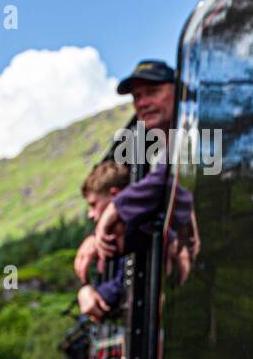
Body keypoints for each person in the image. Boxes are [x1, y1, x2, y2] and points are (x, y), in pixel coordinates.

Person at [91, 60, 196, 268]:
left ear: (179, 93)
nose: (142, 103)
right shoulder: (162, 154)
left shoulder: (198, 137)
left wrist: (115, 209)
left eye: (153, 91)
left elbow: (170, 174)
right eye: (137, 97)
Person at [74, 159, 129, 322]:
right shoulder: (111, 240)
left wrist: (91, 293)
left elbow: (124, 283)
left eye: (93, 204)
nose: (90, 215)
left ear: (115, 196)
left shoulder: (138, 232)